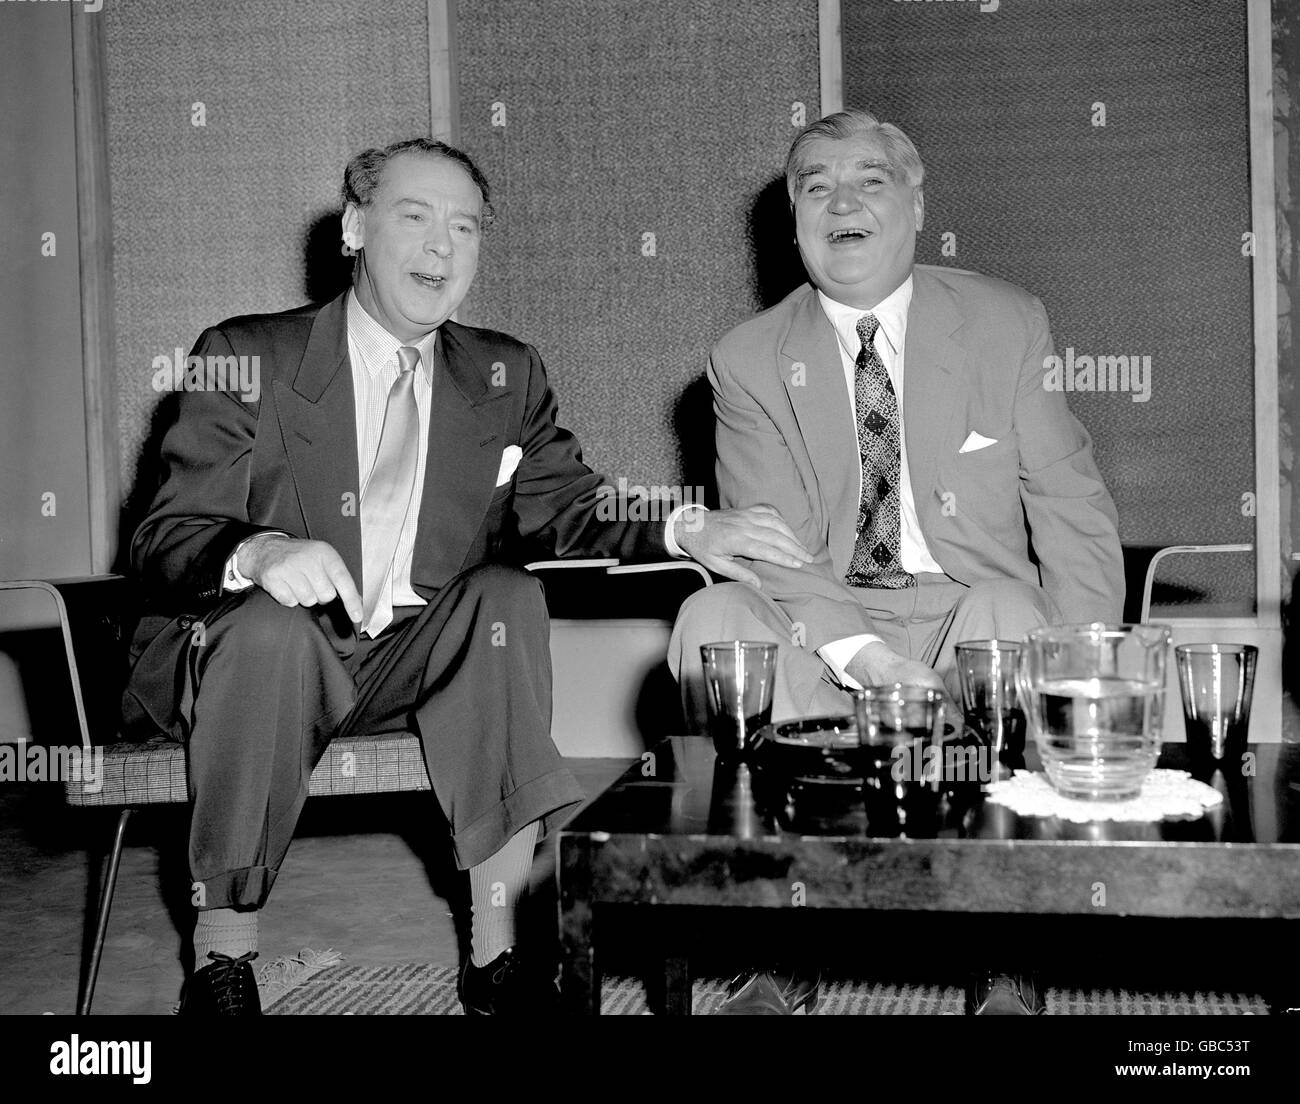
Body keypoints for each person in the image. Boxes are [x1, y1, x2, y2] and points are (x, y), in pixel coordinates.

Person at [123, 137, 812, 1016]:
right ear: (353, 230)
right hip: (252, 656)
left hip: (412, 658)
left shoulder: (502, 372)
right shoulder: (245, 355)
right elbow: (162, 537)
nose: (442, 247)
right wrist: (257, 552)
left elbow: (573, 507)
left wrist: (689, 523)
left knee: (504, 594)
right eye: (415, 218)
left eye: (466, 227)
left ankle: (499, 959)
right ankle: (222, 958)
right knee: (269, 628)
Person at [669, 110, 1124, 1015]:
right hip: (825, 616)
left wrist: (1090, 657)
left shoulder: (1006, 320)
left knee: (1011, 616)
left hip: (966, 612)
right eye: (816, 187)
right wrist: (867, 659)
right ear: (792, 220)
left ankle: (1003, 951)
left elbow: (1070, 506)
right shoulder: (748, 359)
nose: (842, 201)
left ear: (916, 205)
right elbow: (776, 552)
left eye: (870, 181)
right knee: (714, 622)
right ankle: (776, 944)